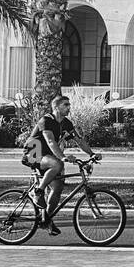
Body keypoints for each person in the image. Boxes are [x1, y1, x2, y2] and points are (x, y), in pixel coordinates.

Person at [25, 95, 100, 236]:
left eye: (69, 105)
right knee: (57, 164)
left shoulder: (66, 123)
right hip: (34, 153)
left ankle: (45, 219)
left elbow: (79, 140)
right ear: (56, 107)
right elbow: (50, 141)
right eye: (65, 105)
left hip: (49, 156)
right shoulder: (46, 120)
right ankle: (38, 192)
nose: (69, 107)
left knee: (58, 188)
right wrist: (63, 157)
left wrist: (91, 154)